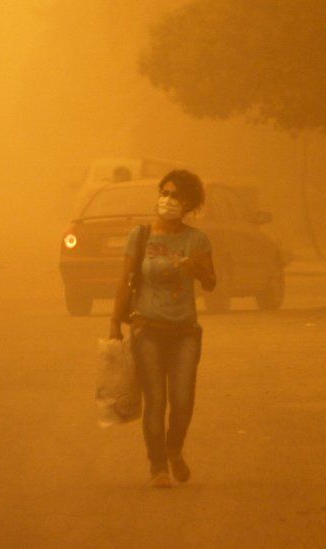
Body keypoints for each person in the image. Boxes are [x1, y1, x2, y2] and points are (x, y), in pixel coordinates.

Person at [109, 170, 217, 488]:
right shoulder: (140, 236)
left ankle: (174, 450)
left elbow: (211, 283)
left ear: (189, 204)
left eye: (176, 196)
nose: (168, 200)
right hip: (147, 328)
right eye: (165, 192)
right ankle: (157, 466)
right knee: (156, 400)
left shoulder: (197, 239)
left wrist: (198, 270)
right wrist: (115, 323)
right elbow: (124, 281)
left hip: (185, 331)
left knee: (182, 400)